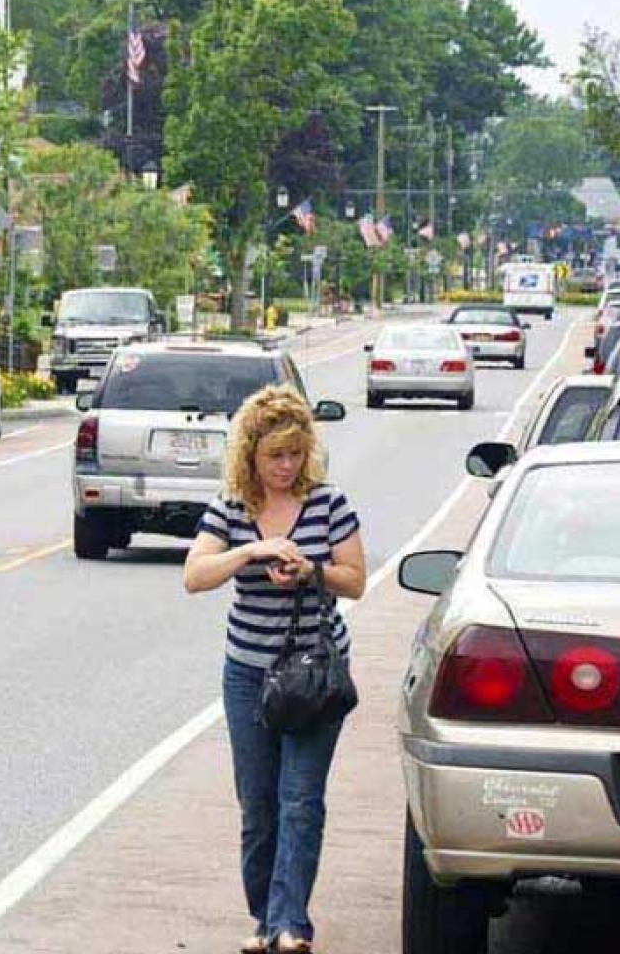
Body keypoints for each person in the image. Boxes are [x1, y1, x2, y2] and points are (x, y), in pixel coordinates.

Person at [183, 385, 367, 953]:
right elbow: (195, 575)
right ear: (251, 456)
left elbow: (355, 579)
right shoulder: (232, 507)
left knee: (300, 801)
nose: (285, 466)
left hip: (314, 674)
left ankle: (291, 924)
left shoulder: (329, 504)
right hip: (249, 674)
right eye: (274, 456)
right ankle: (264, 920)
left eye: (294, 453)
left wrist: (310, 569)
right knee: (258, 805)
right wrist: (252, 552)